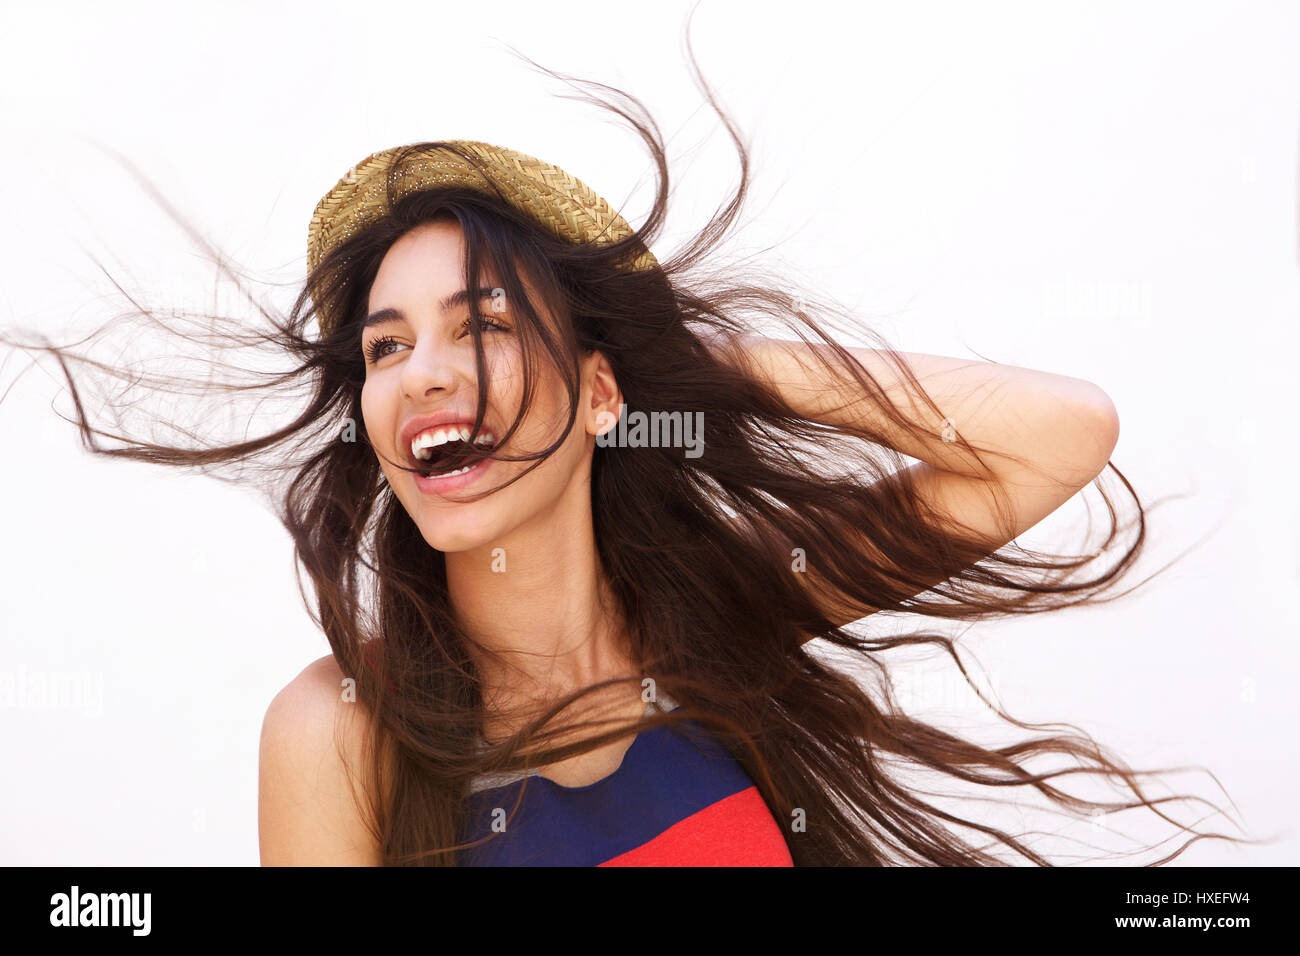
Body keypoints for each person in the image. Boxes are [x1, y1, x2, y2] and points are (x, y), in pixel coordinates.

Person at [4, 57, 1251, 867]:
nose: (424, 372)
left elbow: (1055, 433)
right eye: (387, 348)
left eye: (483, 324)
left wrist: (702, 362)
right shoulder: (339, 732)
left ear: (603, 391)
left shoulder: (727, 621)